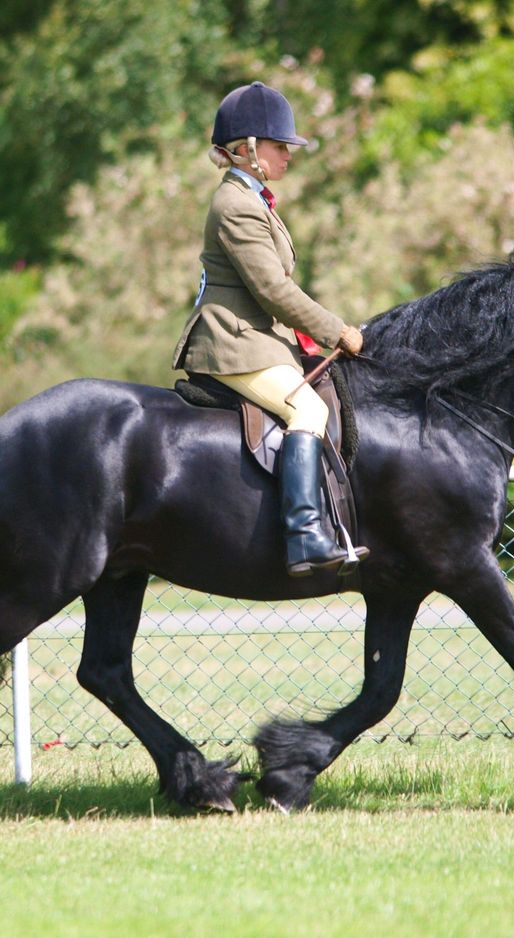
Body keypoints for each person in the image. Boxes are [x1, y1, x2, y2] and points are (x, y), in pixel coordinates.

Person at [173, 81, 368, 578]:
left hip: (261, 341)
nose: (289, 154)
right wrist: (335, 330)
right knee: (307, 407)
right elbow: (273, 291)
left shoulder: (255, 199)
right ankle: (304, 536)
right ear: (249, 149)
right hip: (234, 344)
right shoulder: (235, 204)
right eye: (281, 145)